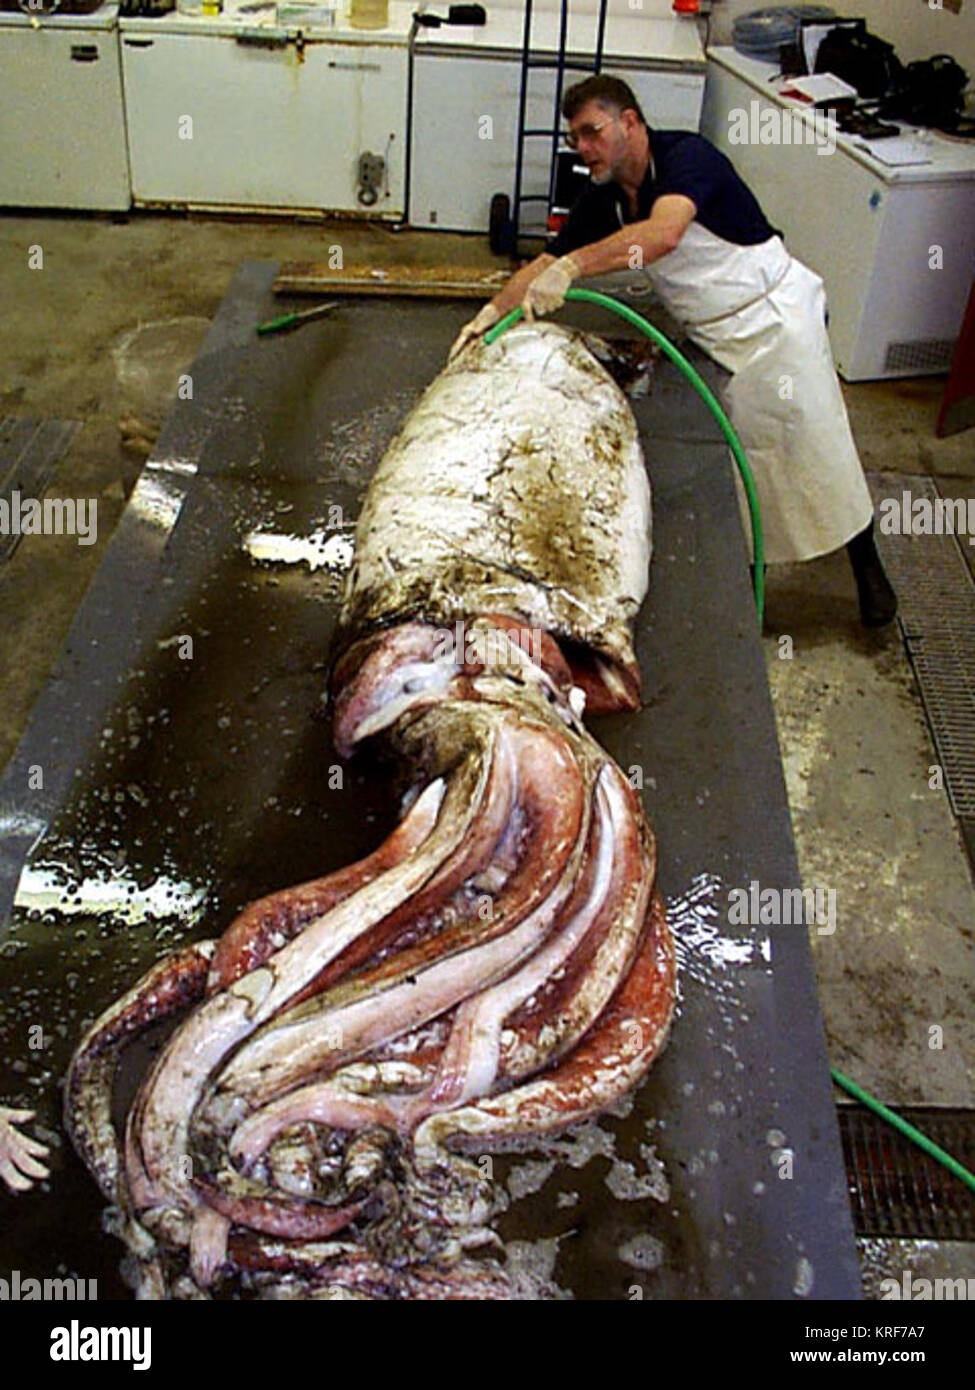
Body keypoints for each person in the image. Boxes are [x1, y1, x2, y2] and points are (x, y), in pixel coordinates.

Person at [450, 75, 897, 628]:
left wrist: (575, 267)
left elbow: (664, 236)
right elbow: (543, 264)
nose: (585, 149)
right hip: (711, 334)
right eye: (577, 140)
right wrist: (489, 315)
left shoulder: (688, 158)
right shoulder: (604, 199)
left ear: (630, 122)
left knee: (817, 441)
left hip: (774, 318)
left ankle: (867, 569)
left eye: (593, 132)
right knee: (748, 460)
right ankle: (746, 581)